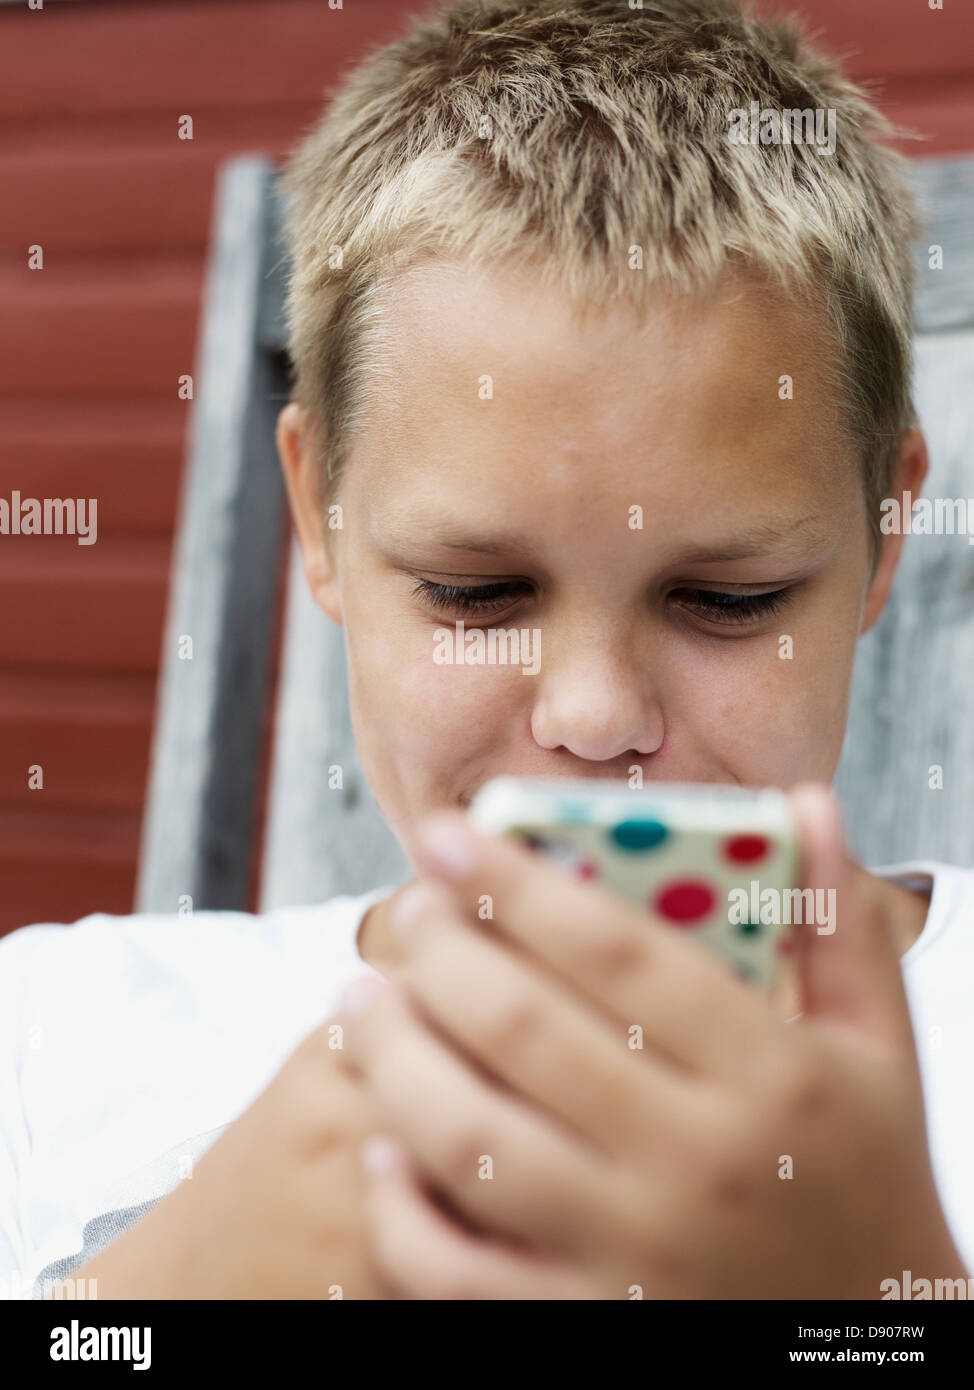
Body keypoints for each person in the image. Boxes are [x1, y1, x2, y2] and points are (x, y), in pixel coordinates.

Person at [2, 0, 972, 1300]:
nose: (591, 713)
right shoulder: (69, 1030)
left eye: (727, 599)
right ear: (320, 522)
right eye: (474, 590)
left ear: (882, 532)